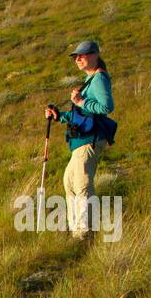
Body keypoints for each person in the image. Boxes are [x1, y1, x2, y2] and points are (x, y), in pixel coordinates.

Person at [44, 40, 114, 239]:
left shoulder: (99, 78)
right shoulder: (90, 81)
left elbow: (106, 107)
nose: (78, 59)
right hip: (80, 140)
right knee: (69, 182)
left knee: (81, 184)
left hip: (90, 140)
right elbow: (81, 115)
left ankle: (86, 232)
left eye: (82, 55)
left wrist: (81, 101)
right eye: (76, 56)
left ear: (94, 55)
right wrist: (60, 116)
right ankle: (78, 230)